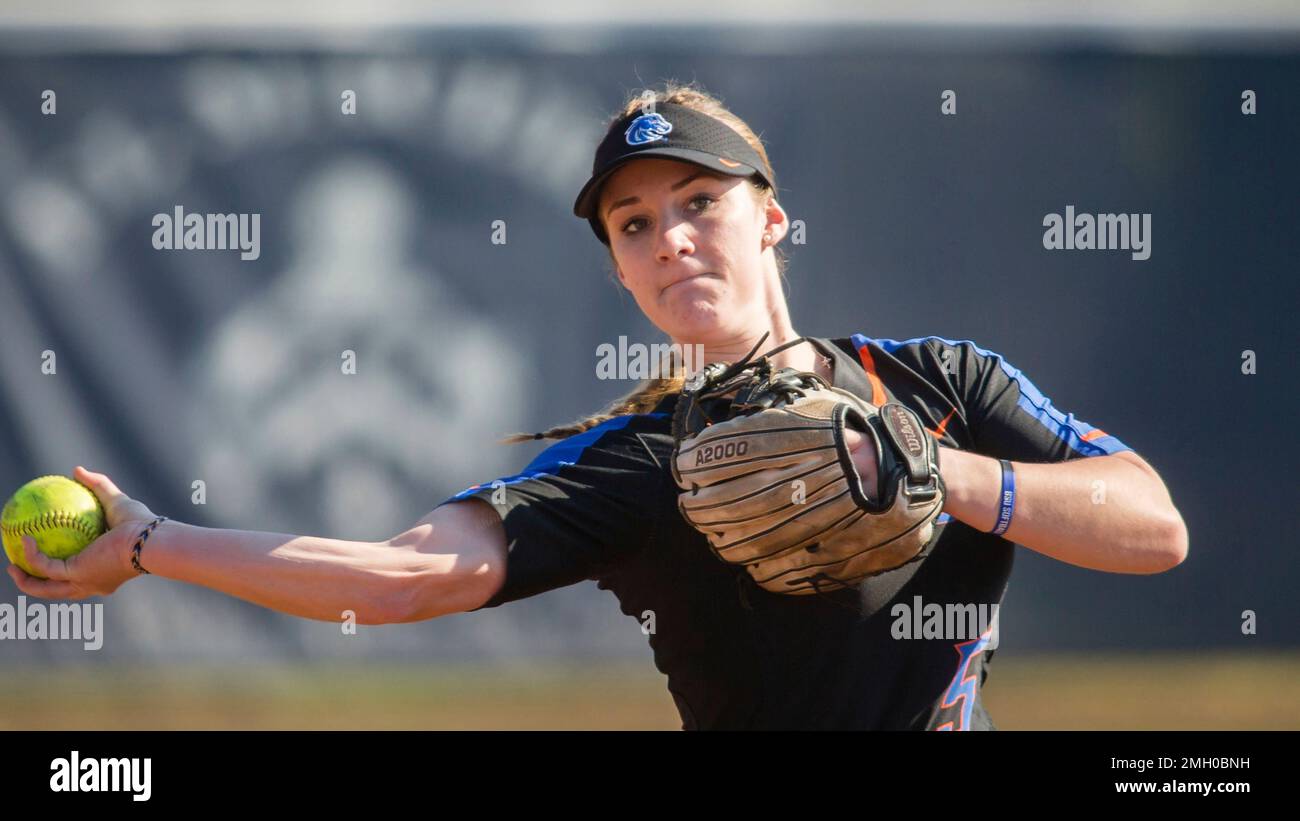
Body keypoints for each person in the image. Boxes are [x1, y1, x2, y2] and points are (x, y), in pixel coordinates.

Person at [6, 83, 1188, 730]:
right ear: (620, 270)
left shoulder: (939, 385)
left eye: (697, 201)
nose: (670, 237)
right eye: (633, 224)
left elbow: (1152, 525)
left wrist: (943, 476)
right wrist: (154, 543)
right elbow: (400, 575)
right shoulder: (631, 461)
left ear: (769, 216)